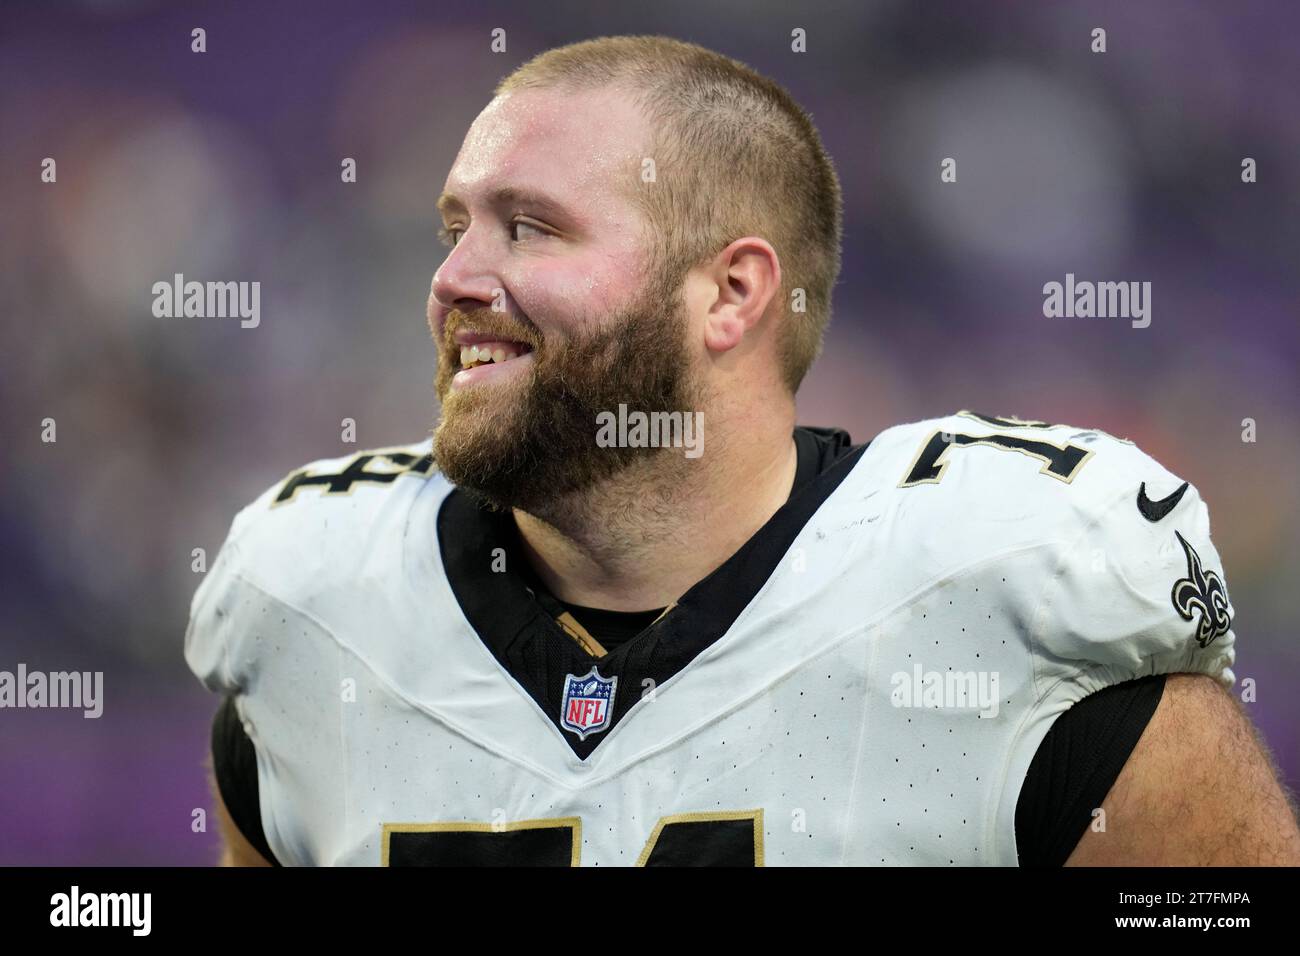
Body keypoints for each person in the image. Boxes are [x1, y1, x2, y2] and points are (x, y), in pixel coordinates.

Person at [185, 35, 1300, 866]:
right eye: (455, 227)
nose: (454, 278)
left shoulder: (1004, 595)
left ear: (730, 292)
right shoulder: (315, 607)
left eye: (527, 226)